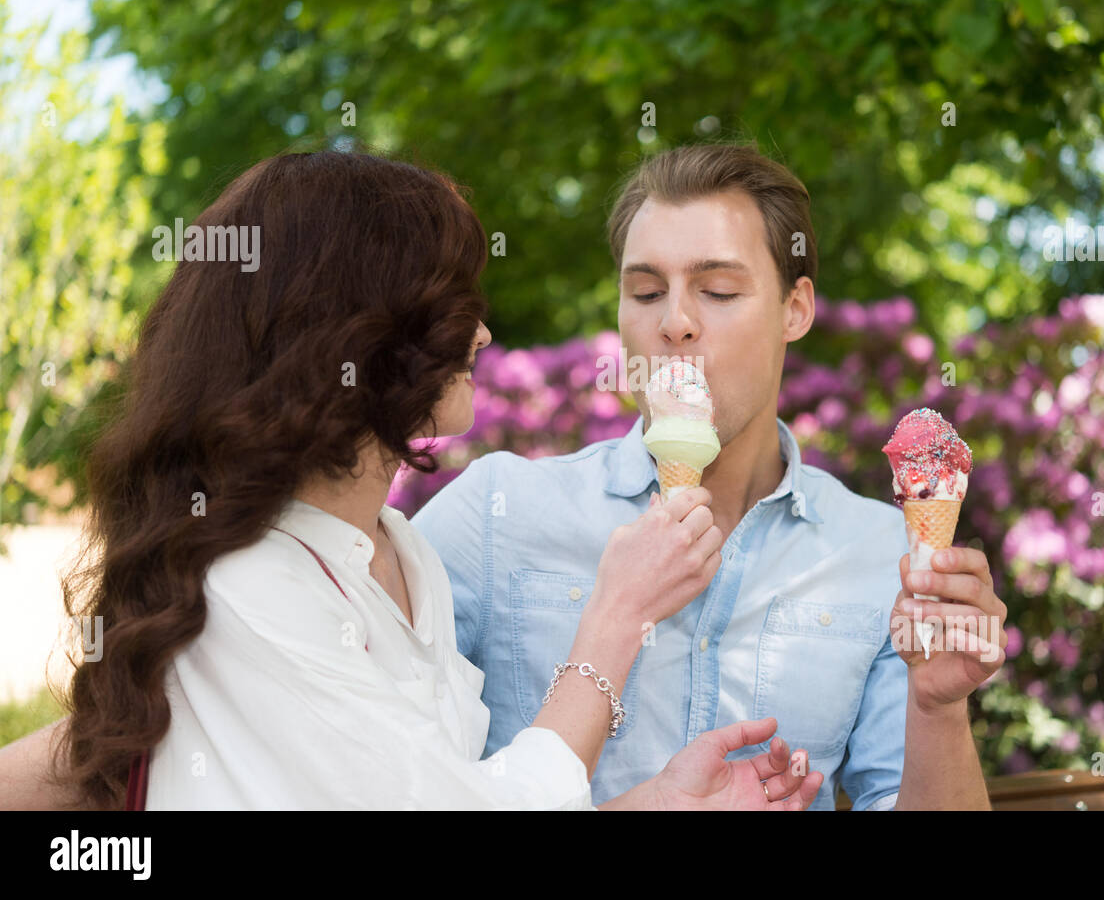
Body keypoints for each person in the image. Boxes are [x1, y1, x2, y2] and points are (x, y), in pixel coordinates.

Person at [0, 149, 823, 810]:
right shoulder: (252, 587)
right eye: (452, 301)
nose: (486, 328)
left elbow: (448, 793)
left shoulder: (399, 553)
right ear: (354, 332)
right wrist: (616, 618)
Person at [413, 142, 1008, 809]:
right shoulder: (495, 513)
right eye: (644, 291)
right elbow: (370, 774)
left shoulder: (879, 556)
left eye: (718, 290)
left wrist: (938, 708)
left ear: (796, 309)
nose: (674, 323)